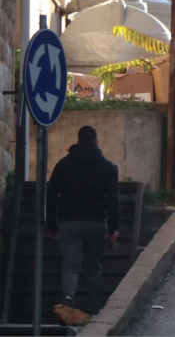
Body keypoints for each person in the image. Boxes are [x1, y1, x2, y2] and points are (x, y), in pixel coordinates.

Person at [46, 125, 120, 315]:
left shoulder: (63, 165)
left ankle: (68, 299)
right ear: (97, 142)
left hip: (69, 222)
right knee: (94, 268)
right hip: (96, 223)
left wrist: (52, 225)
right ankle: (95, 309)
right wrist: (114, 227)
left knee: (71, 265)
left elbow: (51, 195)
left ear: (77, 142)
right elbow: (113, 199)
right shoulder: (108, 167)